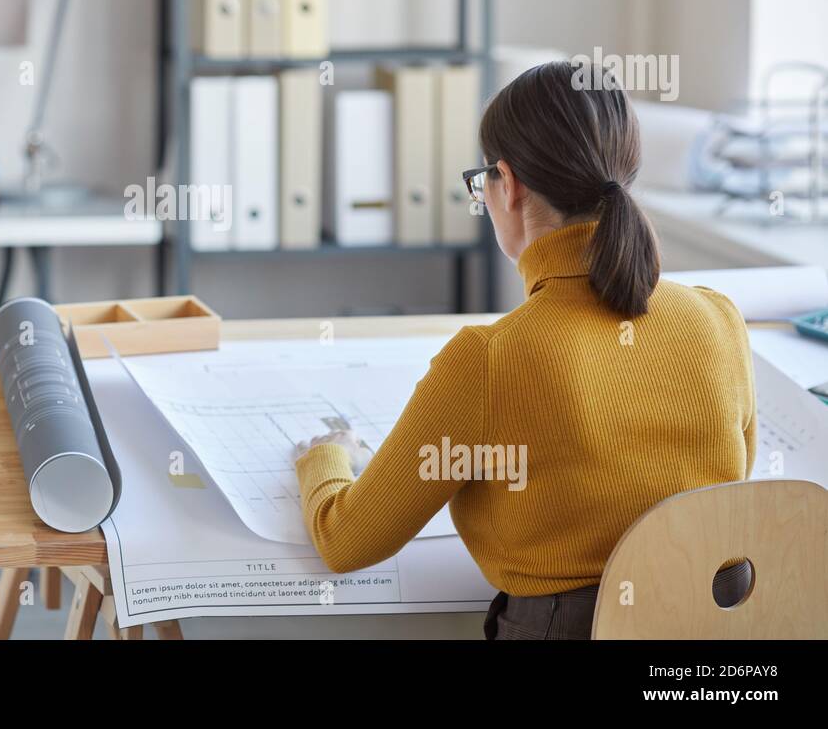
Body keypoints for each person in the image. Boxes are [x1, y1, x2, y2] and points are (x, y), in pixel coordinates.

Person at [293, 61, 755, 639]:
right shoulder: (717, 317)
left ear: (505, 184)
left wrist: (325, 458)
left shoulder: (488, 359)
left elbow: (346, 541)